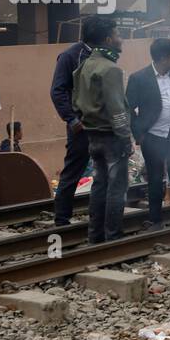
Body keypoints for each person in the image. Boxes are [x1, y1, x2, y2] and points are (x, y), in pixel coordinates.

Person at [71, 20, 132, 244]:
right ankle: (113, 236)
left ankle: (94, 236)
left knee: (99, 185)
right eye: (117, 35)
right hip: (112, 137)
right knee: (116, 188)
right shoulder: (111, 69)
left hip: (92, 134)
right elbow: (117, 110)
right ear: (108, 39)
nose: (121, 39)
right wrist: (126, 138)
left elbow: (75, 103)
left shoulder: (84, 66)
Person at [126, 38, 170, 228]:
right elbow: (129, 108)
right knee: (155, 180)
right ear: (164, 58)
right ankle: (155, 220)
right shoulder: (139, 78)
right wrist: (139, 134)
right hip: (153, 136)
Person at [50, 18, 113, 225]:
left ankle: (100, 218)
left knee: (104, 172)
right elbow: (57, 91)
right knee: (73, 171)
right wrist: (72, 119)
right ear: (104, 37)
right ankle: (62, 220)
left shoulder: (105, 56)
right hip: (82, 127)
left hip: (103, 126)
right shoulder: (70, 56)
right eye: (112, 34)